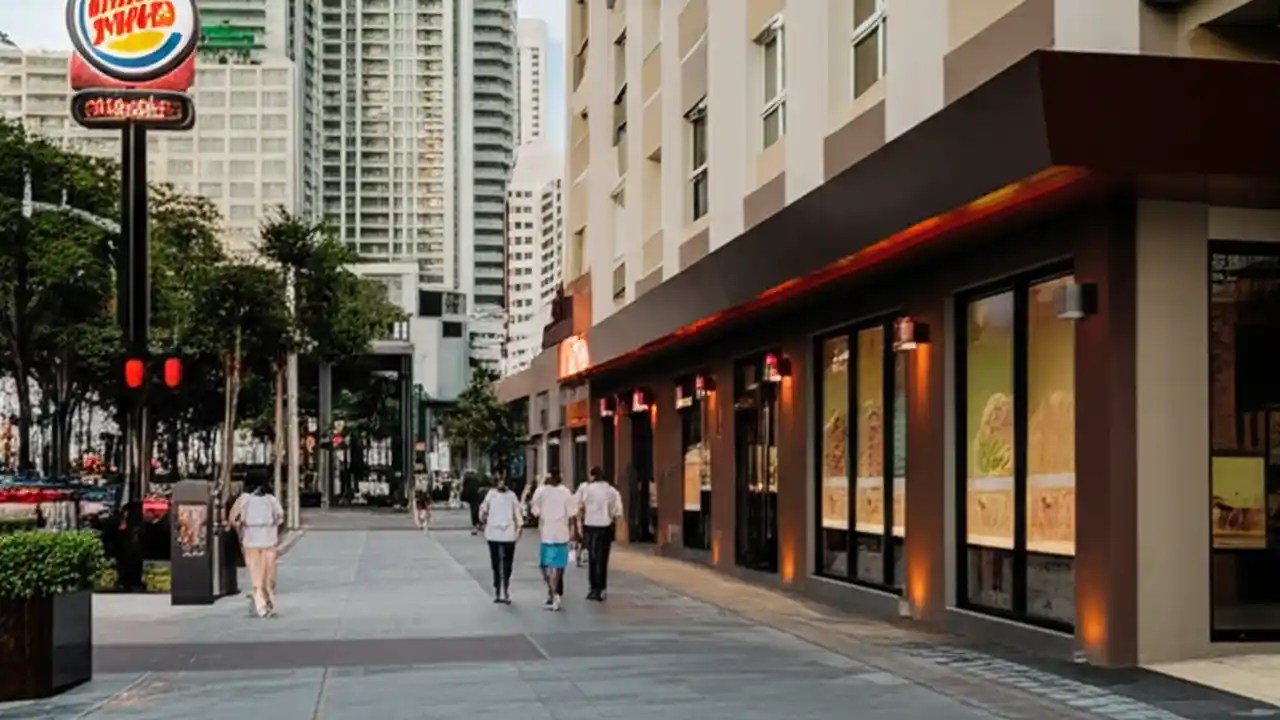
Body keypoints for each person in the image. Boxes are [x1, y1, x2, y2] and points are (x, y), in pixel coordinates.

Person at [229, 478, 285, 618]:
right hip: (269, 541)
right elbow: (280, 517)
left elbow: (232, 518)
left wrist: (240, 526)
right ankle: (268, 600)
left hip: (251, 541)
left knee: (256, 576)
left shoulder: (244, 499)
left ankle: (261, 605)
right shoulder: (271, 500)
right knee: (268, 575)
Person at [529, 470, 577, 611]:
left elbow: (534, 508)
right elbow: (573, 513)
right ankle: (556, 592)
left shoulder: (541, 491)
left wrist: (540, 515)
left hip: (547, 534)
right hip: (562, 533)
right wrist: (575, 529)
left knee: (546, 566)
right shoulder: (566, 492)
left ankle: (553, 593)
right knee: (559, 565)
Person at [576, 466, 622, 602]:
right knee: (603, 559)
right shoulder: (611, 490)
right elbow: (617, 510)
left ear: (592, 476)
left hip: (590, 526)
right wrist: (610, 516)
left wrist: (580, 520)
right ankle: (601, 588)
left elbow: (578, 505)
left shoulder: (586, 489)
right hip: (605, 527)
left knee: (592, 558)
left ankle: (593, 588)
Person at [479, 474, 522, 604]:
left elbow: (517, 512)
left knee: (508, 564)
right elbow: (483, 508)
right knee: (496, 563)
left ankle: (506, 588)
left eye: (503, 481)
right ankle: (498, 589)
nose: (501, 484)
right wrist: (482, 516)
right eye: (499, 482)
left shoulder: (512, 496)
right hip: (493, 532)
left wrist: (519, 527)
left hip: (508, 533)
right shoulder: (491, 495)